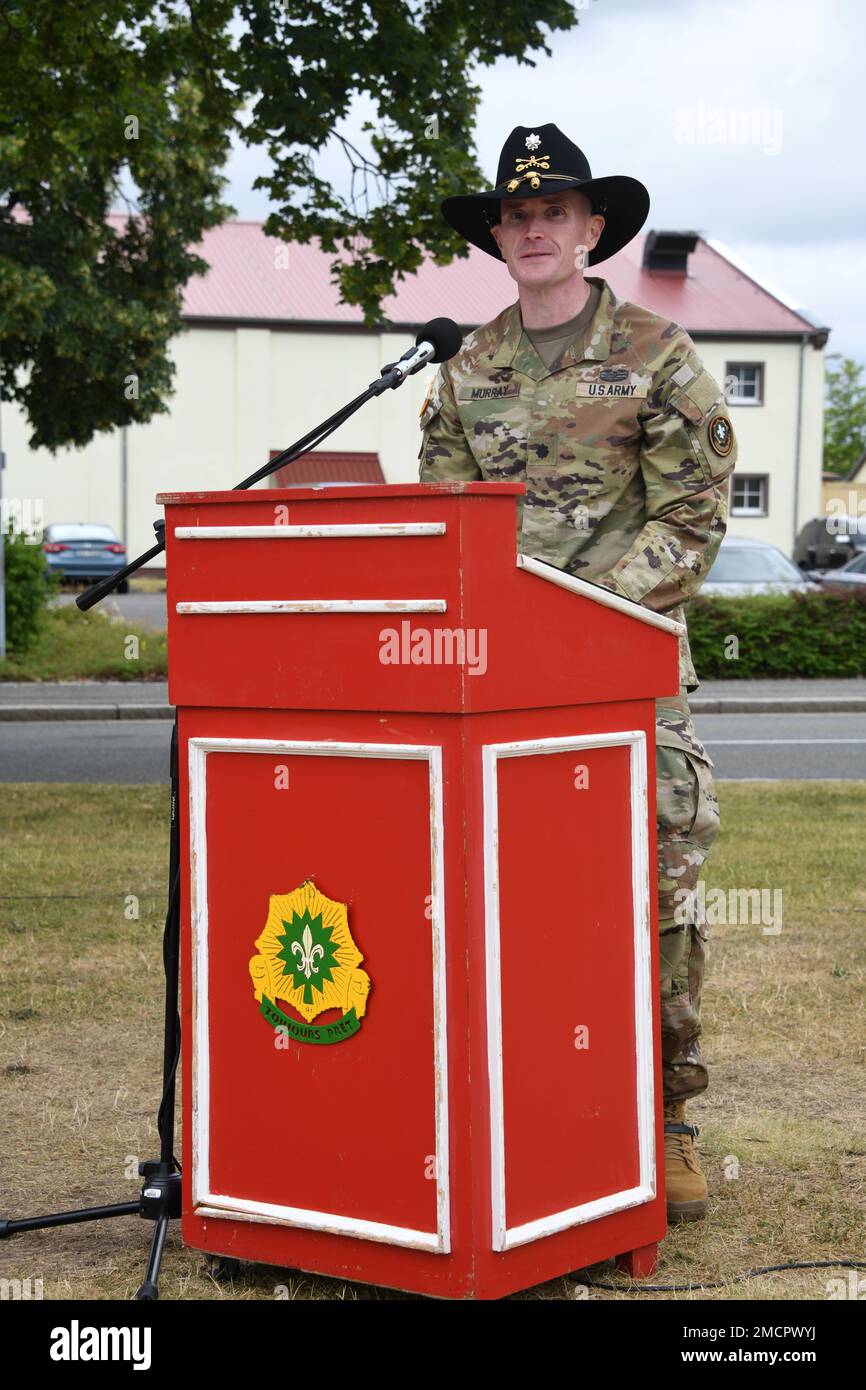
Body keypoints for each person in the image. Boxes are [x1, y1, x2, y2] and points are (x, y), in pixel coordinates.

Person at [418, 123, 737, 1223]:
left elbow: (689, 521)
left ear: (591, 228)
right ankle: (524, 1098)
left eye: (554, 210)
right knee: (494, 887)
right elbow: (449, 529)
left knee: (652, 884)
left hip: (625, 665)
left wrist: (579, 620)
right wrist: (501, 632)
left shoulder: (658, 352)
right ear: (497, 238)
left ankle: (666, 1115)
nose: (534, 227)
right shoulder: (465, 370)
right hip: (495, 679)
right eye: (516, 215)